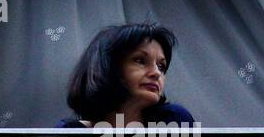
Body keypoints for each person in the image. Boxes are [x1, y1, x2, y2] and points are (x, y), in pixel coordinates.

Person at [57, 22, 196, 128]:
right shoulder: (69, 133)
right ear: (107, 66)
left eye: (161, 66)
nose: (156, 73)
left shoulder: (174, 121)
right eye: (140, 61)